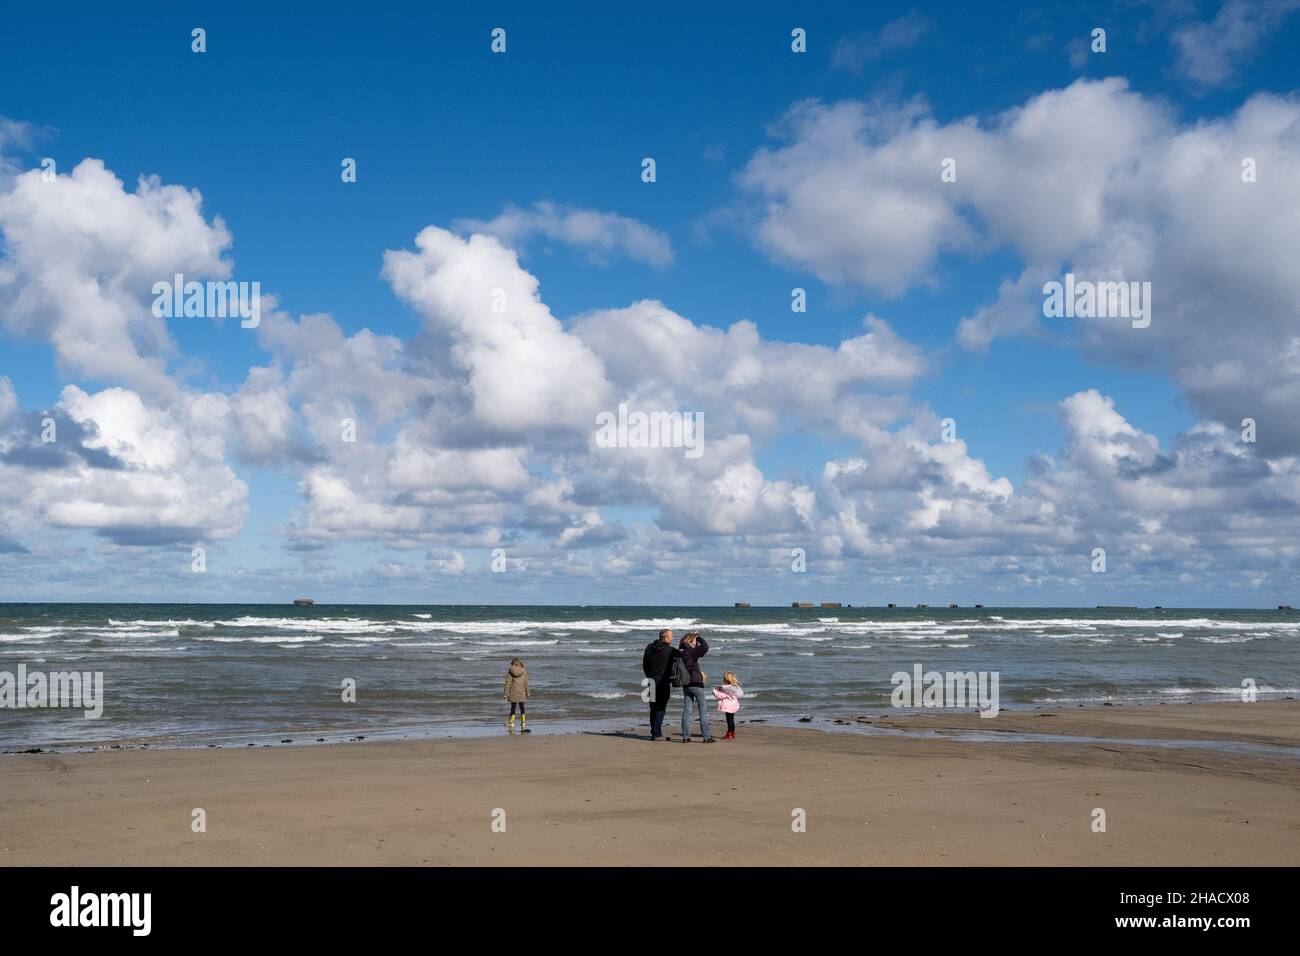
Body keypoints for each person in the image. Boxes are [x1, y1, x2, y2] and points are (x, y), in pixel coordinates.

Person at [677, 632, 715, 743]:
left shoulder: (682, 653)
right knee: (702, 710)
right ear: (690, 641)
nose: (696, 642)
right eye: (694, 640)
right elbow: (705, 647)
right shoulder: (692, 652)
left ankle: (685, 736)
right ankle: (706, 737)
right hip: (697, 684)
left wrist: (695, 640)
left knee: (687, 711)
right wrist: (699, 637)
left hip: (686, 684)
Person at [641, 628, 676, 740]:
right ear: (665, 638)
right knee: (660, 708)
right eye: (671, 636)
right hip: (663, 682)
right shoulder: (670, 650)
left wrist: (649, 676)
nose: (673, 638)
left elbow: (645, 665)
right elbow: (684, 656)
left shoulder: (648, 647)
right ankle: (657, 733)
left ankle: (654, 732)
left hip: (651, 680)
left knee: (653, 707)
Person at [712, 671, 743, 739]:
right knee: (731, 719)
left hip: (728, 706)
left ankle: (729, 733)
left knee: (729, 720)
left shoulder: (725, 688)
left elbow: (720, 696)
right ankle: (732, 733)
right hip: (734, 706)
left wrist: (714, 691)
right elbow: (740, 695)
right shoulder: (736, 687)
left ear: (726, 679)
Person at [504, 658, 531, 732]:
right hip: (521, 692)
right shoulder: (523, 671)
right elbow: (526, 683)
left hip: (513, 692)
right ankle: (523, 722)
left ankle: (512, 722)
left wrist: (505, 693)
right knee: (522, 707)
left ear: (512, 664)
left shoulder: (510, 672)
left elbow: (508, 683)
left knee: (513, 707)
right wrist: (528, 691)